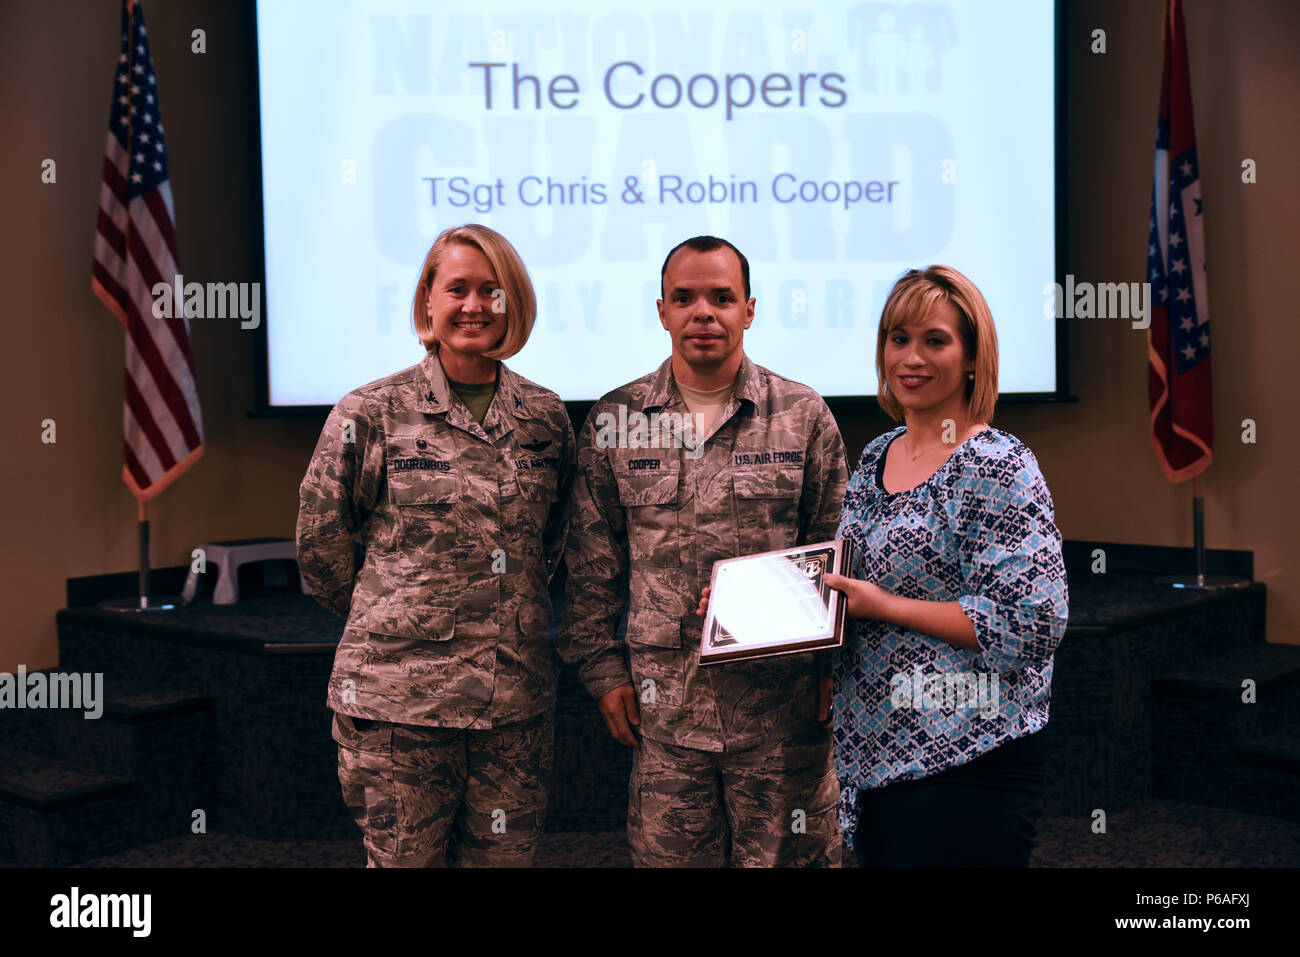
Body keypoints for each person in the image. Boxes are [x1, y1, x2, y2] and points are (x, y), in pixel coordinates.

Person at [561, 235, 849, 867]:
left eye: (721, 298)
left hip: (782, 713)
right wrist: (603, 672)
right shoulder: (617, 419)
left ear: (749, 309)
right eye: (685, 298)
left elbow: (838, 553)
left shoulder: (802, 415)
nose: (703, 313)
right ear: (661, 310)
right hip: (666, 715)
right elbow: (591, 566)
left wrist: (834, 670)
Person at [296, 224, 575, 867]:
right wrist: (395, 618)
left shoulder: (546, 418)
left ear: (514, 305)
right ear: (427, 301)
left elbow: (549, 544)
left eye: (491, 290)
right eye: (457, 289)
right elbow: (322, 545)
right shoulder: (370, 411)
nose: (473, 305)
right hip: (400, 706)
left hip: (513, 703)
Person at [822, 265, 1068, 867]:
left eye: (935, 340)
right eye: (897, 338)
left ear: (972, 358)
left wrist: (887, 607)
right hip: (875, 753)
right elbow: (844, 581)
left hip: (970, 758)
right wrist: (755, 609)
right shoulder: (878, 454)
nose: (912, 357)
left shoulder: (998, 464)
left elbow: (1033, 623)